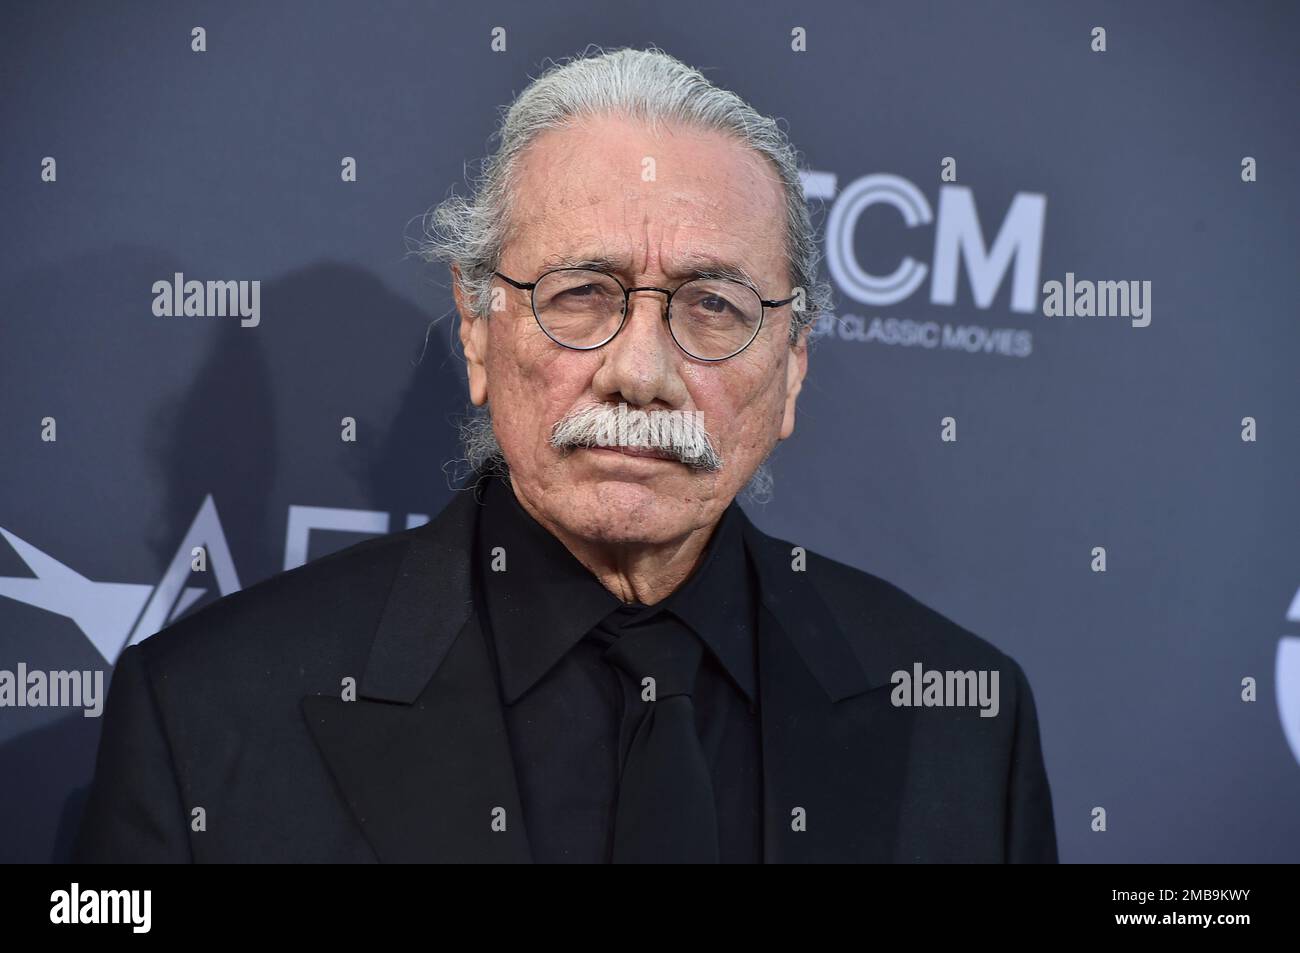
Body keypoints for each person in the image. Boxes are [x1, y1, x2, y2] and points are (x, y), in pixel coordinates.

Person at [72, 46, 1057, 863]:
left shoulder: (961, 716)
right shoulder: (204, 714)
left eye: (712, 305)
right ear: (476, 328)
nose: (640, 370)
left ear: (793, 365)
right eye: (582, 292)